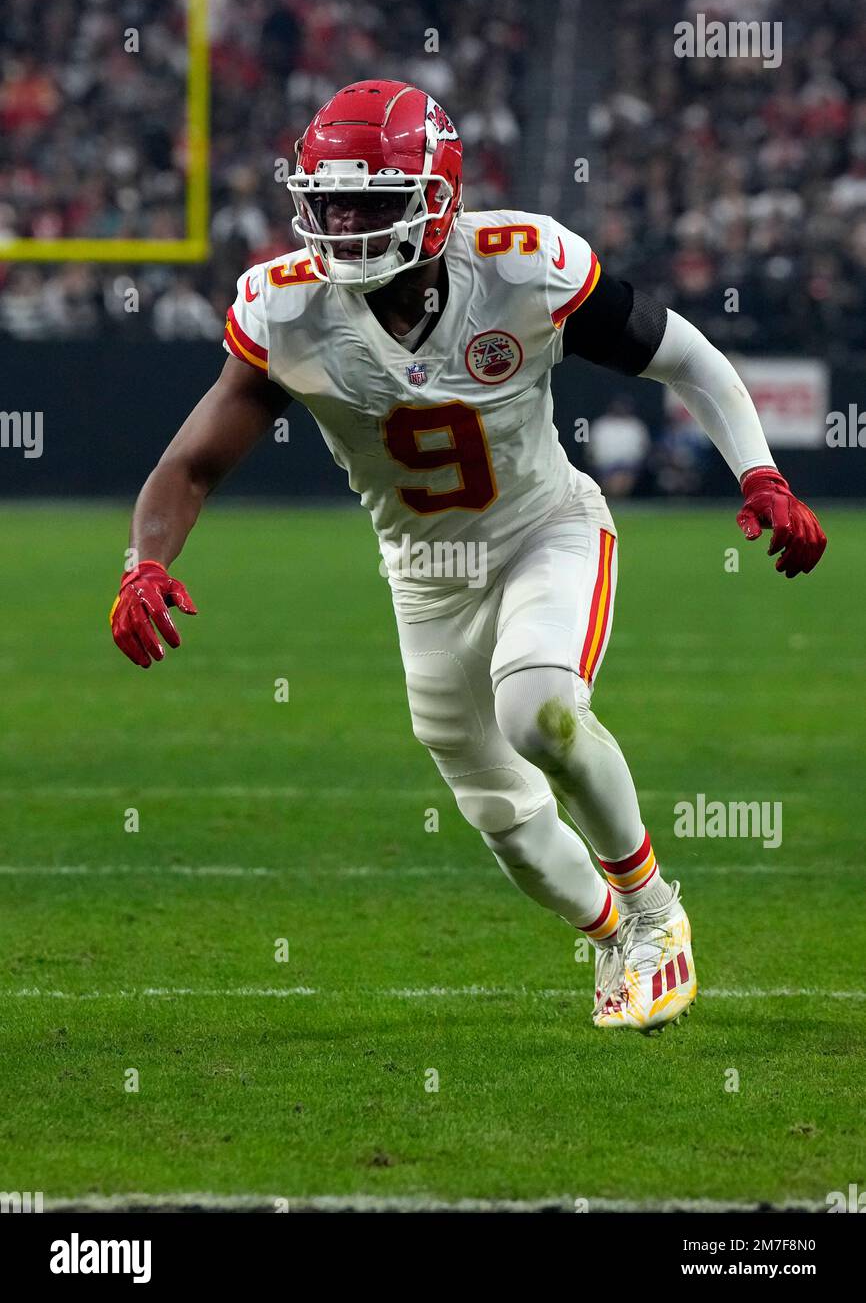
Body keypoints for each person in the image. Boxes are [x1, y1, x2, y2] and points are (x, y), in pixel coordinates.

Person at [109, 81, 827, 1033]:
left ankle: (659, 914)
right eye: (327, 199)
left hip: (546, 531)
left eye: (369, 199)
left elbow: (686, 356)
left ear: (437, 198)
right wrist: (143, 562)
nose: (341, 222)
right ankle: (612, 932)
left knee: (539, 710)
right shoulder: (289, 311)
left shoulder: (522, 266)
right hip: (421, 577)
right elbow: (188, 466)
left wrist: (761, 474)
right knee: (507, 821)